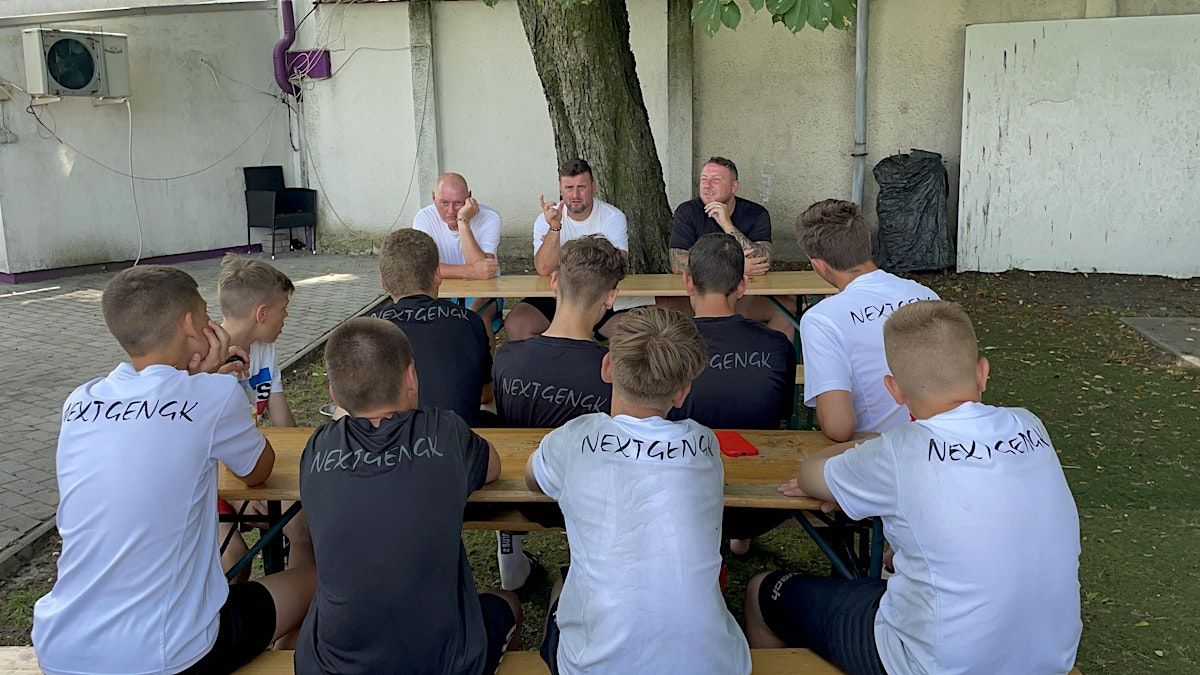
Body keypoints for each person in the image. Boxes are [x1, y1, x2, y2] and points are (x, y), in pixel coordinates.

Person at [745, 300, 1082, 675]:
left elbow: (811, 475)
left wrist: (856, 460)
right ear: (982, 372)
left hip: (931, 664)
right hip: (1051, 657)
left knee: (763, 589)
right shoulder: (1030, 425)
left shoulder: (898, 450)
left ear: (894, 389)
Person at [32, 265, 315, 675]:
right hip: (166, 654)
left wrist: (196, 381)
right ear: (191, 323)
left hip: (61, 645)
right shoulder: (211, 395)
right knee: (316, 579)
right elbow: (259, 470)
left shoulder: (79, 401)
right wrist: (207, 384)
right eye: (204, 313)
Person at [525, 307, 752, 675]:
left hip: (593, 665)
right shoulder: (704, 443)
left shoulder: (576, 436)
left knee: (564, 584)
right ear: (682, 392)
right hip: (715, 665)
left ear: (608, 367)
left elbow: (534, 477)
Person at [294, 317, 520, 674]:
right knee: (508, 602)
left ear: (334, 396)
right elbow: (492, 466)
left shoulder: (317, 448)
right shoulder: (444, 431)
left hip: (328, 666)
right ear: (411, 377)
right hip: (444, 664)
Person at [491, 234, 626, 594]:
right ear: (610, 297)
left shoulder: (506, 360)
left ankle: (510, 545)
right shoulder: (614, 375)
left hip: (518, 491)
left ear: (554, 282)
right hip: (584, 501)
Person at [670, 232, 796, 555]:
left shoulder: (666, 349)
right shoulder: (777, 344)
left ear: (687, 282)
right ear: (742, 285)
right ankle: (739, 542)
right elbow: (781, 415)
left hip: (681, 497)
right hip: (761, 502)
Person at [796, 199, 939, 442]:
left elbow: (838, 427)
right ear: (866, 244)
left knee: (808, 473)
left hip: (882, 452)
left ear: (819, 265)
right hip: (946, 444)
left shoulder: (822, 319)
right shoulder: (925, 294)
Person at [216, 255, 314, 580]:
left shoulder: (264, 350)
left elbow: (283, 423)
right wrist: (250, 494)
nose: (286, 317)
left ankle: (290, 628)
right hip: (212, 486)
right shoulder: (204, 359)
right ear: (262, 313)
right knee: (233, 562)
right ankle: (229, 629)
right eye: (284, 309)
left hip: (251, 471)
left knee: (304, 531)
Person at [370, 228, 493, 426]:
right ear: (437, 275)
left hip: (389, 443)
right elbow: (485, 394)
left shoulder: (368, 331)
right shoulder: (470, 321)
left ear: (384, 283)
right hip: (458, 441)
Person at [504, 158, 630, 341]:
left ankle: (607, 368)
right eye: (569, 188)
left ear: (594, 187)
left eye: (582, 187)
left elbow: (620, 265)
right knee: (517, 323)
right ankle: (539, 368)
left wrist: (566, 258)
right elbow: (544, 269)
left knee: (631, 332)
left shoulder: (613, 217)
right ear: (561, 189)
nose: (575, 195)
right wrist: (555, 227)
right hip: (557, 295)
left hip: (598, 295)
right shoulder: (546, 219)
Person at [663, 156, 792, 335]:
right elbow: (677, 263)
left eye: (716, 180)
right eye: (703, 180)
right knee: (660, 306)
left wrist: (727, 225)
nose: (707, 186)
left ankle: (776, 361)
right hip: (698, 295)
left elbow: (762, 260)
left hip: (741, 295)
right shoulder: (687, 212)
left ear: (733, 186)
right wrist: (735, 267)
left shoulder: (756, 213)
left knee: (786, 307)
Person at [412, 172, 503, 334]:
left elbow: (486, 272)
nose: (451, 211)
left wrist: (463, 222)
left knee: (476, 319)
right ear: (434, 198)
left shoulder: (490, 218)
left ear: (469, 198)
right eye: (444, 203)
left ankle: (486, 360)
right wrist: (472, 271)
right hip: (439, 291)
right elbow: (422, 268)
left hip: (482, 292)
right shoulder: (424, 218)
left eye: (458, 203)